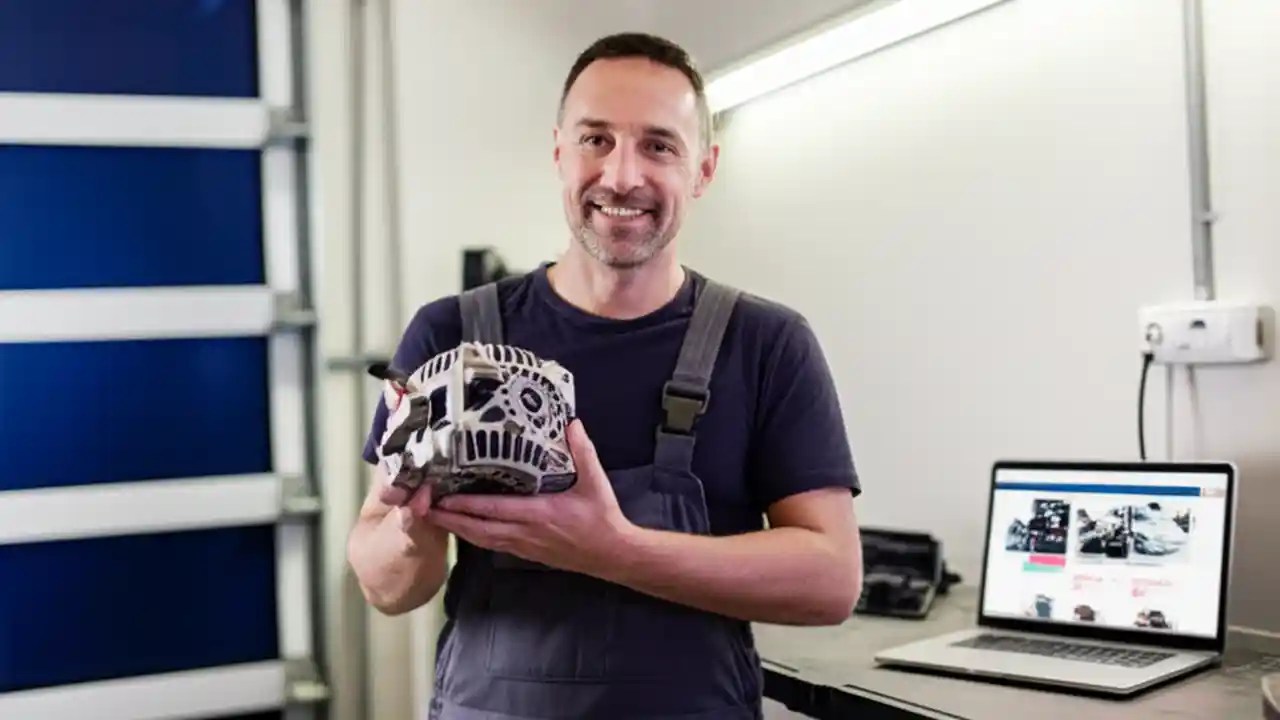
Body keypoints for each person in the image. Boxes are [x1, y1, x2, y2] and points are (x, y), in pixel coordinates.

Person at [347, 31, 863, 719]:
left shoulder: (766, 344)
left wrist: (614, 550)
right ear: (559, 151)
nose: (622, 176)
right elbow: (386, 588)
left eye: (658, 144)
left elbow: (830, 583)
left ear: (704, 169)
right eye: (596, 139)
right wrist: (411, 527)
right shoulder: (451, 337)